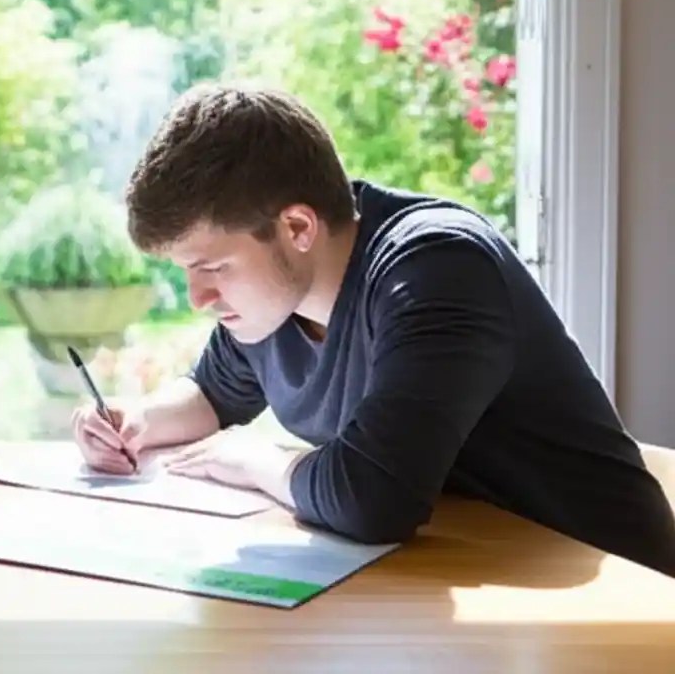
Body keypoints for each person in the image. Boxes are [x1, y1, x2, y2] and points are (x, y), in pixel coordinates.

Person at [70, 82, 675, 577]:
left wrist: (258, 463)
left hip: (615, 600)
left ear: (298, 228)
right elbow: (211, 393)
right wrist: (139, 422)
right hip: (473, 575)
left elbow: (373, 498)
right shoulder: (275, 298)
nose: (198, 297)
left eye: (213, 267)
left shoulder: (438, 268)